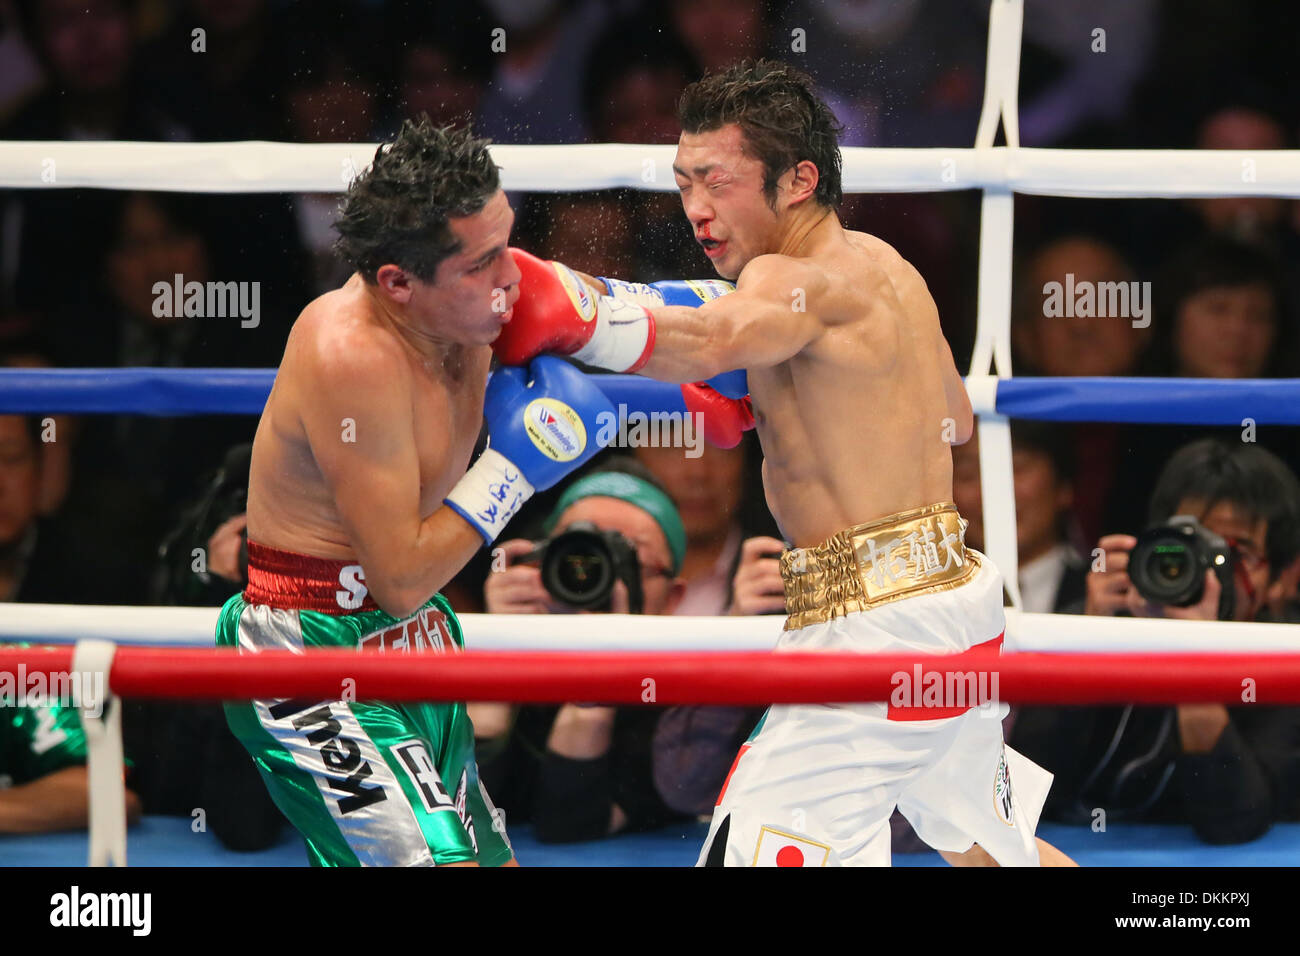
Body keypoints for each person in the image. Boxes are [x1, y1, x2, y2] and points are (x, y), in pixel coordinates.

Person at [494, 59, 1073, 867]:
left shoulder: (786, 277)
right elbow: (949, 414)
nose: (695, 208)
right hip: (949, 600)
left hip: (875, 631)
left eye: (717, 182)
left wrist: (568, 308)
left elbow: (714, 335)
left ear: (798, 179)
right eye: (683, 181)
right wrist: (784, 396)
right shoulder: (889, 266)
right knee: (990, 849)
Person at [216, 117, 623, 867]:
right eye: (485, 261)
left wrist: (720, 382)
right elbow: (398, 578)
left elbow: (640, 319)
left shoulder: (480, 294)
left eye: (510, 240)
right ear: (398, 283)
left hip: (419, 638)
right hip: (310, 647)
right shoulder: (354, 355)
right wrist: (514, 469)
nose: (515, 276)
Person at [1015, 439, 1300, 843]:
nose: (1208, 571)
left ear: (1283, 579)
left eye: (1234, 555)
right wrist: (1089, 647)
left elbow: (1233, 822)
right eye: (1192, 546)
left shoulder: (1288, 660)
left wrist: (1195, 663)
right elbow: (1022, 793)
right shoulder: (1098, 621)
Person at [470, 457, 694, 842]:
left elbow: (569, 823)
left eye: (626, 556)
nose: (589, 571)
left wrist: (601, 677)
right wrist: (498, 648)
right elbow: (454, 815)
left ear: (672, 598)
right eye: (576, 549)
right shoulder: (476, 663)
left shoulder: (679, 712)